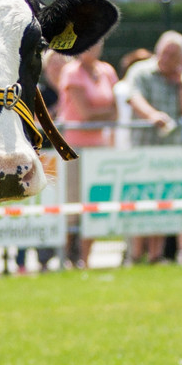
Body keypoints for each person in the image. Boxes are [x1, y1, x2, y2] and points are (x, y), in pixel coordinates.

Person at [122, 31, 182, 263]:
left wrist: (181, 85)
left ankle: (156, 254)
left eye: (173, 55)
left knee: (163, 203)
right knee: (138, 203)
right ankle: (135, 255)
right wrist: (153, 115)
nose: (166, 58)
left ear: (181, 59)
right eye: (164, 52)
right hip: (142, 151)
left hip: (169, 153)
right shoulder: (141, 71)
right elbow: (134, 98)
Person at [58, 39, 118, 269]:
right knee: (72, 202)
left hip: (99, 148)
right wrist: (104, 113)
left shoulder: (107, 71)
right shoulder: (71, 72)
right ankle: (67, 256)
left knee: (95, 201)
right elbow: (85, 114)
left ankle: (85, 258)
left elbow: (115, 112)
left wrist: (98, 114)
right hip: (73, 148)